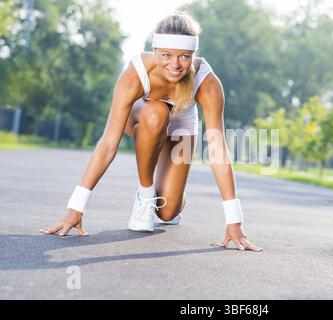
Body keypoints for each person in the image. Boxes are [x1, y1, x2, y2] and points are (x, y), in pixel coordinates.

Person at [40, 12, 262, 252]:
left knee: (167, 212)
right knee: (156, 113)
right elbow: (108, 144)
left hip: (182, 123)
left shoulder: (207, 83)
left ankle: (175, 196)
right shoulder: (136, 73)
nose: (175, 64)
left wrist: (234, 220)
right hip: (144, 118)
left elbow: (218, 150)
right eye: (166, 55)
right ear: (155, 51)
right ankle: (145, 195)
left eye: (184, 57)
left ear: (193, 54)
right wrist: (76, 207)